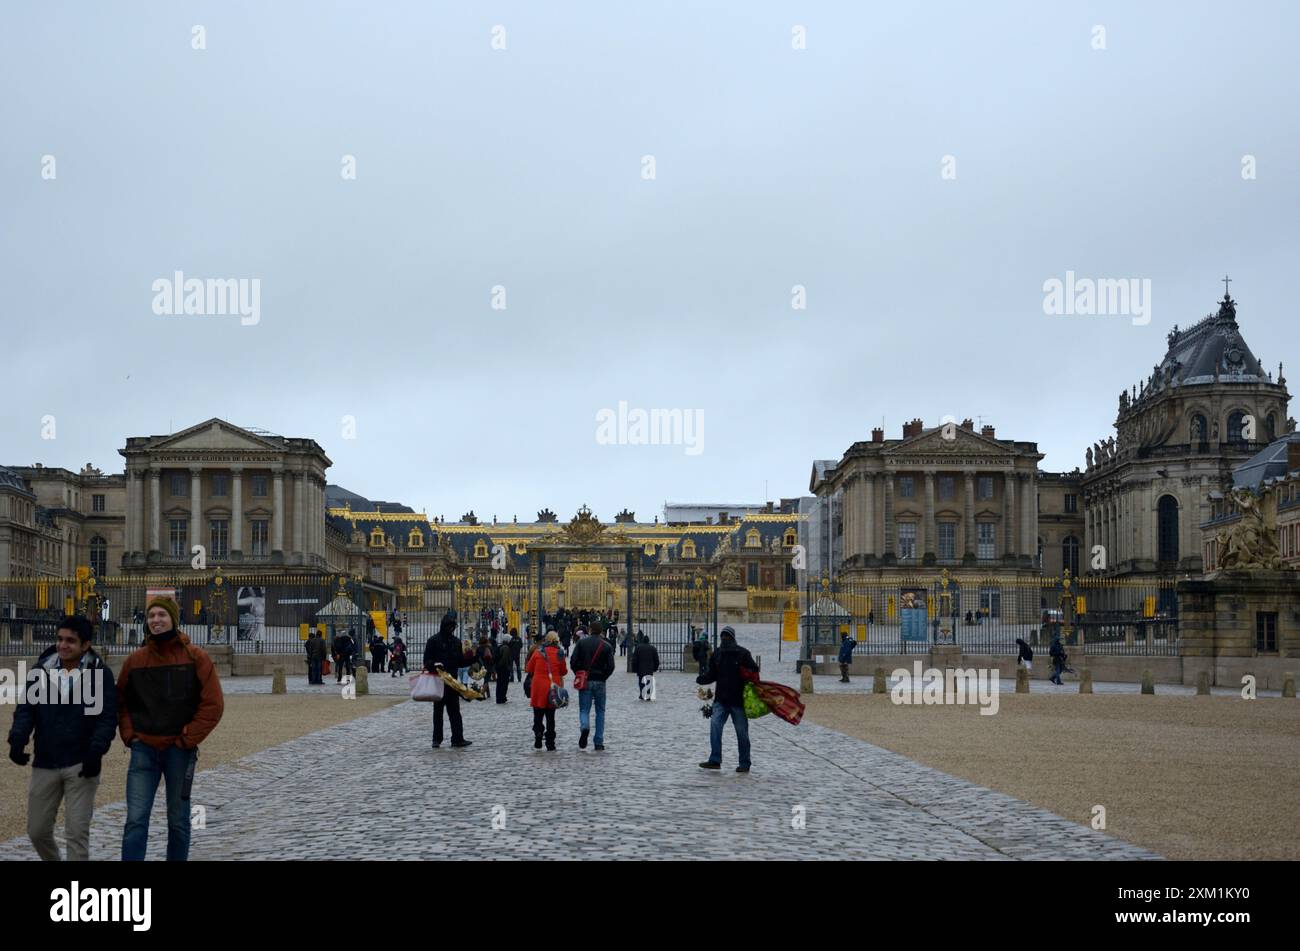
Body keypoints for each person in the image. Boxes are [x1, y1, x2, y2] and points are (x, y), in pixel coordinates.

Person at [118, 595, 224, 861]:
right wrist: (131, 736)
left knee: (178, 821)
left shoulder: (196, 656)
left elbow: (213, 704)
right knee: (135, 821)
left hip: (179, 750)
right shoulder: (135, 660)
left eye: (162, 615)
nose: (156, 620)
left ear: (173, 620)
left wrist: (187, 739)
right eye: (152, 615)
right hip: (144, 749)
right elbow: (121, 702)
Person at [7, 615, 116, 861]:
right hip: (46, 760)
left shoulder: (98, 674)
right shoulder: (41, 671)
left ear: (85, 645)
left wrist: (96, 751)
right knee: (37, 831)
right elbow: (26, 709)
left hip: (81, 762)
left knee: (76, 834)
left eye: (70, 641)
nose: (62, 645)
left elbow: (107, 718)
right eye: (59, 639)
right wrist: (17, 739)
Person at [696, 626, 757, 773]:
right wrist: (702, 680)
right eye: (723, 636)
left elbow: (754, 671)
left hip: (738, 701)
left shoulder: (743, 654)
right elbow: (712, 674)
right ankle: (715, 760)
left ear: (733, 638)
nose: (724, 638)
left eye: (727, 636)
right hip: (721, 700)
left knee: (742, 733)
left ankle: (744, 762)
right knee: (715, 727)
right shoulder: (717, 654)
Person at [423, 613, 471, 748]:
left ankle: (457, 738)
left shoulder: (456, 642)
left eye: (453, 626)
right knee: (438, 712)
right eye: (449, 626)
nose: (451, 629)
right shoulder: (433, 641)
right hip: (438, 681)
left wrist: (471, 658)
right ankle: (436, 739)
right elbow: (426, 661)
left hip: (452, 682)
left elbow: (461, 662)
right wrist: (435, 665)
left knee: (455, 712)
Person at [570, 620, 615, 751]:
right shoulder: (606, 645)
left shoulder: (581, 643)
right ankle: (599, 741)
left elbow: (573, 661)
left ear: (589, 630)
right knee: (600, 711)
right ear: (601, 631)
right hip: (600, 681)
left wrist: (579, 674)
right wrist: (604, 676)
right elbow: (611, 666)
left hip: (585, 680)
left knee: (584, 709)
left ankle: (585, 727)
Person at [525, 631, 567, 751]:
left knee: (538, 714)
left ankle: (538, 733)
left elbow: (529, 668)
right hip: (552, 688)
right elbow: (563, 671)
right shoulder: (559, 653)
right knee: (550, 716)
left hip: (538, 687)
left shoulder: (538, 652)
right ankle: (550, 742)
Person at [632, 632, 659, 701]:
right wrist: (655, 668)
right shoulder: (653, 648)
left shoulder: (638, 648)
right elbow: (656, 660)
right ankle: (648, 694)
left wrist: (634, 668)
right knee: (649, 681)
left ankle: (642, 694)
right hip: (649, 668)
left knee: (641, 682)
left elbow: (634, 659)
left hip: (640, 668)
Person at [494, 635, 513, 703]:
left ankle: (499, 697)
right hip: (504, 669)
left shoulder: (501, 646)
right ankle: (501, 698)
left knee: (499, 683)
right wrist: (501, 666)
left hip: (500, 668)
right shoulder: (506, 648)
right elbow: (504, 659)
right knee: (503, 684)